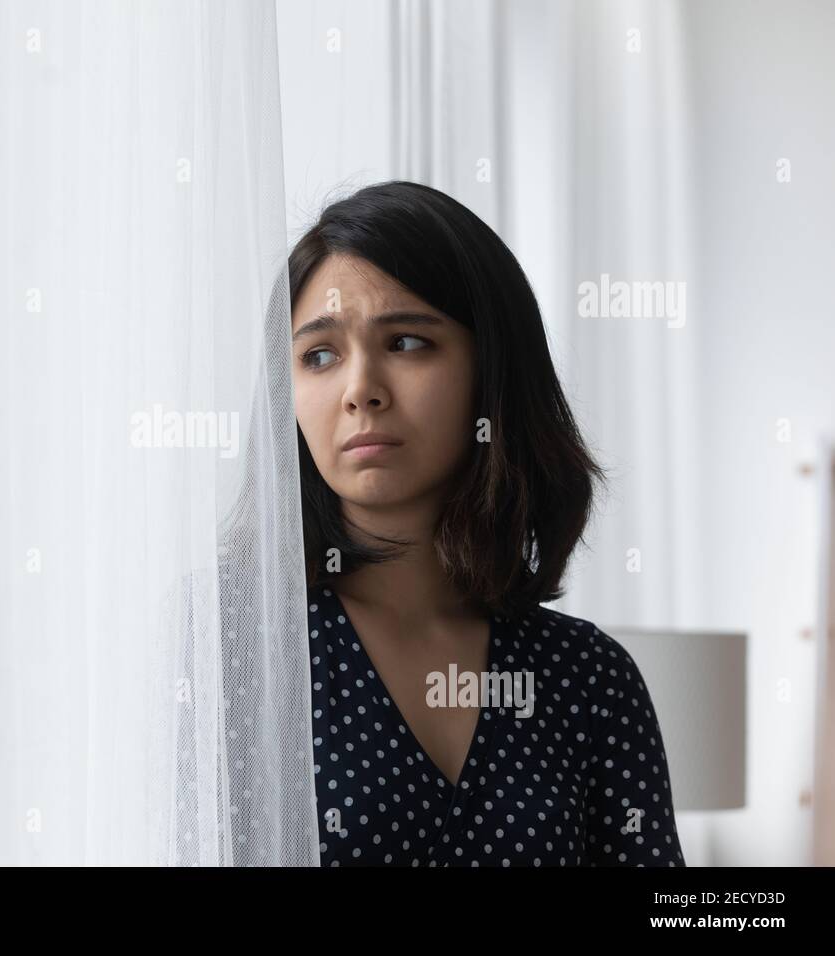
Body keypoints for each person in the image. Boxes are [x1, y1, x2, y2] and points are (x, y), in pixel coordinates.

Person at [289, 180, 684, 867]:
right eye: (318, 355)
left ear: (493, 370)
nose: (360, 389)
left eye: (407, 341)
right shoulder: (245, 649)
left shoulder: (587, 678)